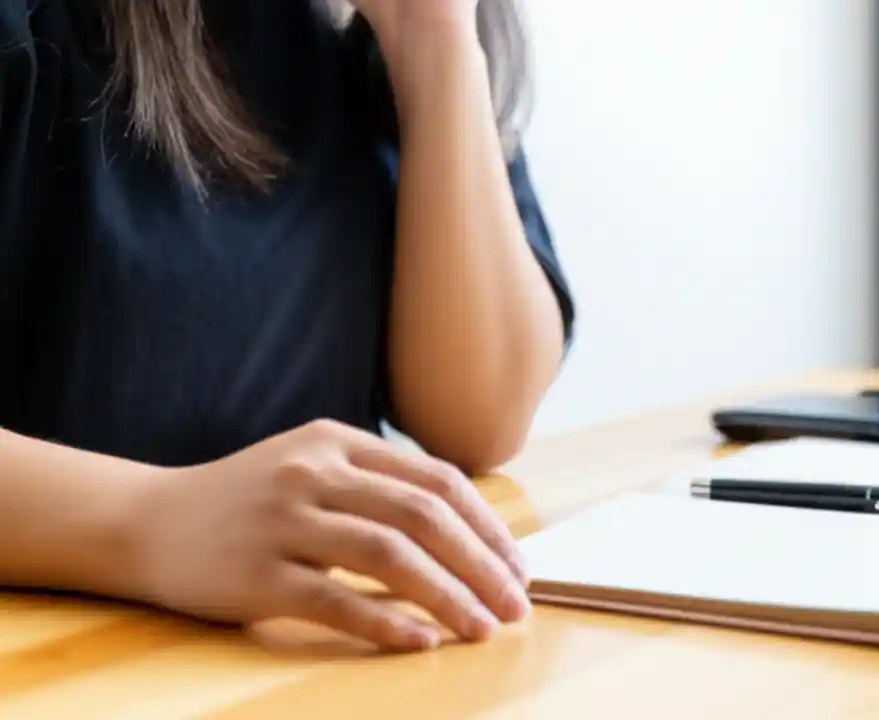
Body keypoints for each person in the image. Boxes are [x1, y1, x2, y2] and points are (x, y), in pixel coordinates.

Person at [0, 0, 574, 652]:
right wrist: (154, 517)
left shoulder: (371, 28)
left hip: (303, 655)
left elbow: (477, 419)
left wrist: (434, 38)